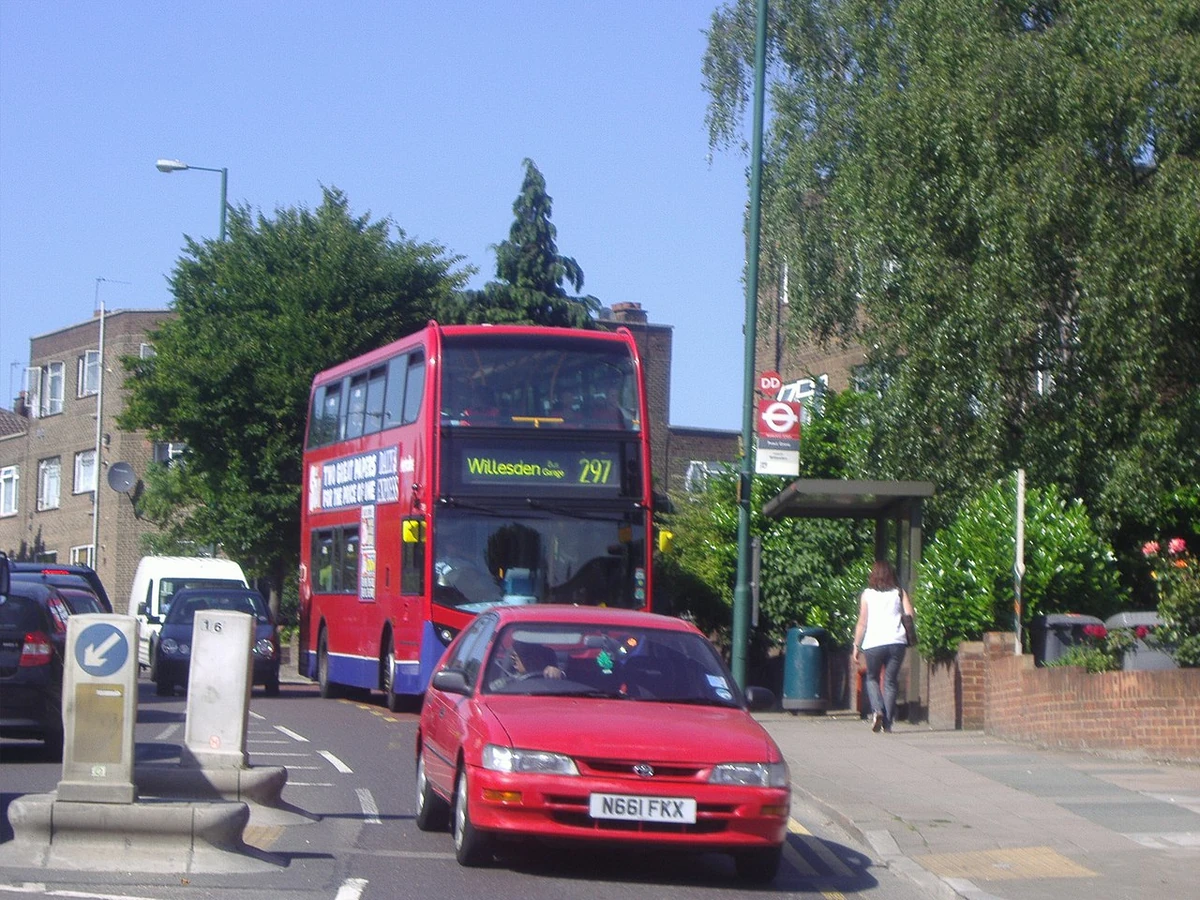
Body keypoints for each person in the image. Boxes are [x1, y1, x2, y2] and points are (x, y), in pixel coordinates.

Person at [851, 560, 915, 733]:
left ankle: (877, 710)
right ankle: (887, 723)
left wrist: (856, 646)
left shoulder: (867, 594)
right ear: (891, 575)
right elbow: (910, 614)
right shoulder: (899, 593)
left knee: (871, 678)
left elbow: (862, 622)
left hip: (874, 643)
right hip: (896, 642)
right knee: (890, 682)